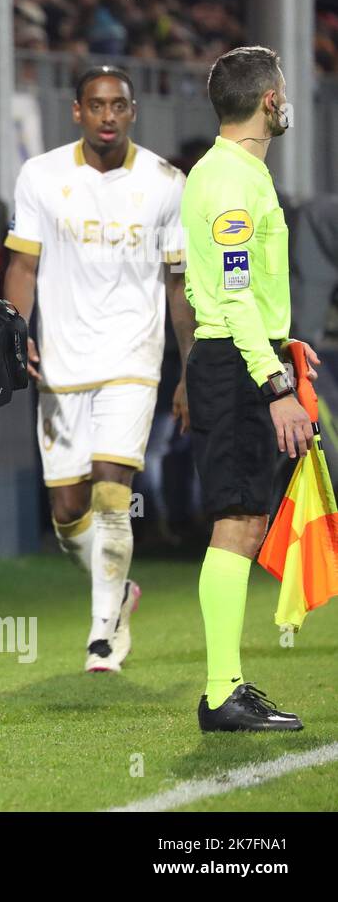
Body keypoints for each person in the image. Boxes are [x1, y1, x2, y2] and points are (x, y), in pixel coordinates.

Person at [3, 65, 194, 673]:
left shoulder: (167, 182)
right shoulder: (41, 175)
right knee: (66, 511)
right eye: (96, 105)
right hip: (61, 364)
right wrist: (13, 331)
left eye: (118, 105)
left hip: (133, 361)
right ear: (76, 111)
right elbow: (23, 267)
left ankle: (103, 633)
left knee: (113, 487)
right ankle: (118, 591)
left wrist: (190, 367)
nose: (108, 115)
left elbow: (178, 282)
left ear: (132, 111)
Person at [180, 45, 317, 732]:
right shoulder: (232, 181)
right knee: (236, 523)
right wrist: (275, 382)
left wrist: (284, 344)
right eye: (284, 91)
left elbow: (244, 296)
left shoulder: (234, 173)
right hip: (235, 367)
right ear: (270, 101)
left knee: (245, 521)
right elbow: (232, 300)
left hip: (241, 356)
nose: (286, 101)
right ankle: (220, 692)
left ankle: (226, 684)